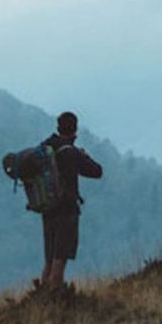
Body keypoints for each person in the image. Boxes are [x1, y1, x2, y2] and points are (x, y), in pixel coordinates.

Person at [37, 110, 103, 290]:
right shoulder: (71, 153)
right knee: (60, 260)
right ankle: (55, 303)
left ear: (58, 128)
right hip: (66, 212)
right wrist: (85, 155)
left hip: (47, 209)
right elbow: (97, 171)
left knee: (49, 261)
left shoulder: (47, 148)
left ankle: (41, 301)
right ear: (75, 130)